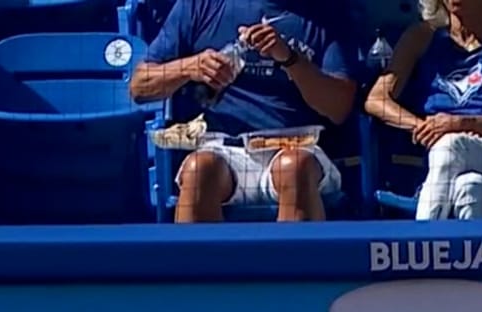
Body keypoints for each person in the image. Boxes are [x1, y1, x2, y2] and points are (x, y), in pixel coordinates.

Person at [129, 0, 359, 222]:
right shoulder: (199, 5)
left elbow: (339, 108)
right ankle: (196, 262)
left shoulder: (327, 11)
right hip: (224, 146)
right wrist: (190, 67)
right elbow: (139, 86)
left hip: (300, 144)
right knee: (197, 171)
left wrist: (290, 59)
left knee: (293, 168)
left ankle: (292, 262)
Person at [364, 0, 482, 221]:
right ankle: (470, 255)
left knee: (451, 146)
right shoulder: (423, 36)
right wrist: (424, 127)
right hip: (445, 161)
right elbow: (376, 99)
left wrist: (458, 125)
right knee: (471, 188)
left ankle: (421, 246)